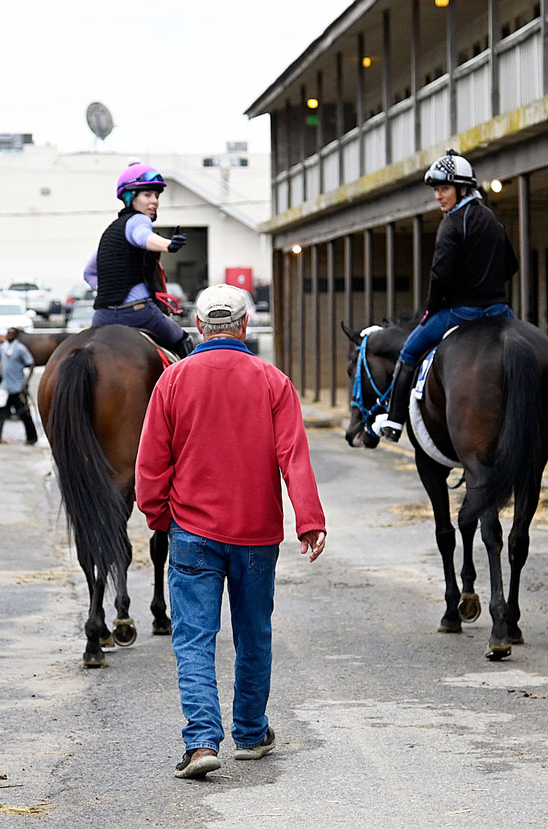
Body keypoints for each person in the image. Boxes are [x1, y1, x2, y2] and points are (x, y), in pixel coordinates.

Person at [135, 283, 327, 780]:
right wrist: (309, 520)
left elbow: (152, 462)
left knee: (194, 639)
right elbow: (294, 455)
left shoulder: (173, 380)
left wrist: (160, 516)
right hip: (257, 534)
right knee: (254, 632)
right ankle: (249, 732)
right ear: (245, 326)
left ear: (199, 327)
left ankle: (201, 743)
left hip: (192, 531)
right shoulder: (273, 381)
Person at [375, 149, 518, 443]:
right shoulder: (493, 219)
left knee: (409, 351)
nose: (439, 196)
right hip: (499, 311)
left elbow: (439, 276)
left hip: (460, 312)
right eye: (437, 190)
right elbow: (512, 265)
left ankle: (394, 420)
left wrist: (432, 308)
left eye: (445, 188)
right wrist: (489, 287)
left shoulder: (451, 224)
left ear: (463, 189)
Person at [83, 161, 194, 358]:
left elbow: (89, 272)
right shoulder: (139, 221)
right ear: (130, 197)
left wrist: (109, 289)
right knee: (183, 339)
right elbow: (144, 237)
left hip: (102, 316)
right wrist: (169, 245)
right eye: (147, 195)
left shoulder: (110, 232)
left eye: (157, 196)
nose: (155, 201)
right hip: (139, 314)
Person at [0, 327, 37, 445]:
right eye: (8, 333)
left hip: (17, 386)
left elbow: (31, 363)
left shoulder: (20, 349)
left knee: (24, 412)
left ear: (16, 335)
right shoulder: (2, 348)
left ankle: (32, 437)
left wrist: (26, 380)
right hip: (5, 386)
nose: (9, 335)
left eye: (11, 333)